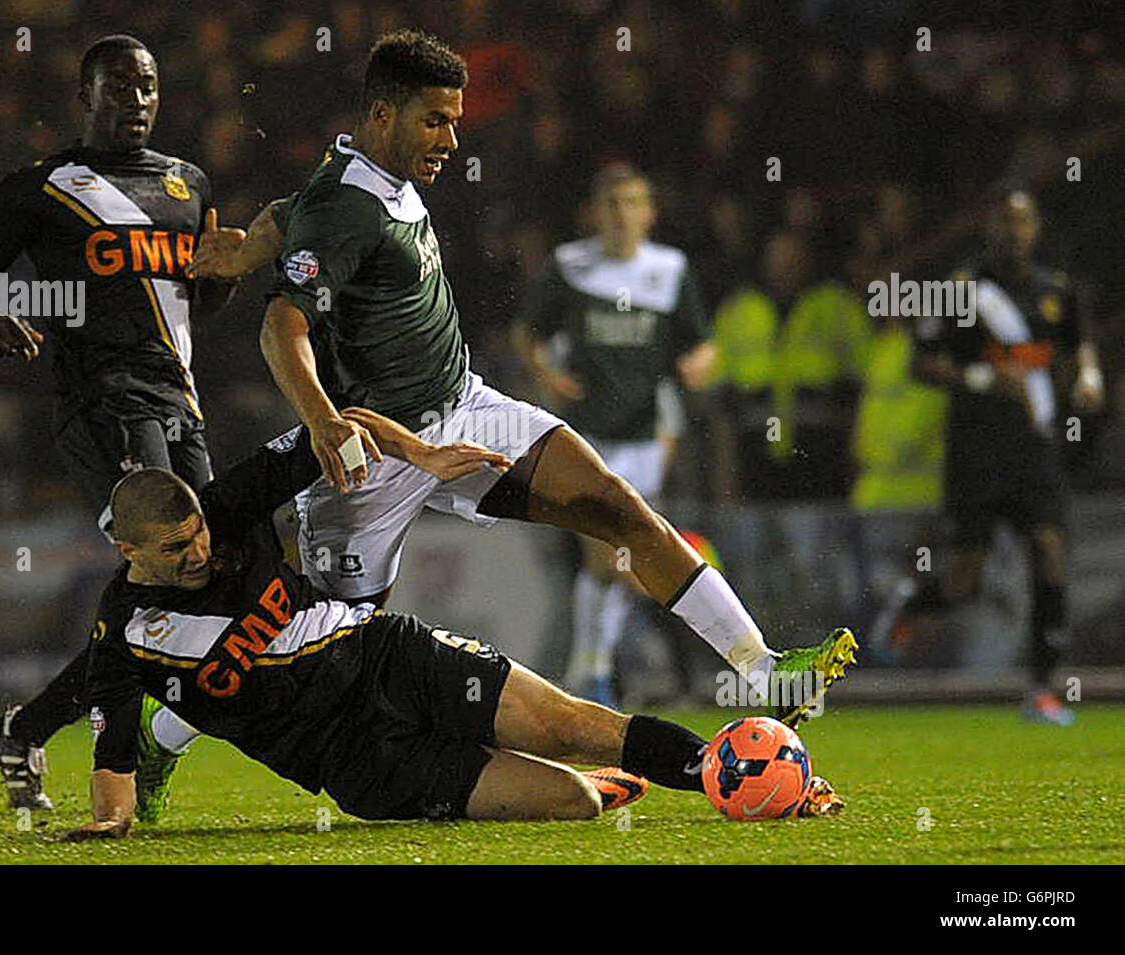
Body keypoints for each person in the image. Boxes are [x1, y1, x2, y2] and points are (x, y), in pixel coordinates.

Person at [189, 30, 858, 728]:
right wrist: (324, 419)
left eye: (455, 118)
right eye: (435, 120)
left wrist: (246, 250)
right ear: (383, 114)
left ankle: (763, 669)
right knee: (321, 640)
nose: (451, 138)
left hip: (466, 408)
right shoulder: (344, 205)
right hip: (378, 449)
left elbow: (288, 213)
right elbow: (282, 327)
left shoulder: (358, 172)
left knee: (613, 505)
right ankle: (171, 723)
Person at [65, 408, 844, 839]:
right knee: (573, 802)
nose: (200, 548)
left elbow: (333, 426)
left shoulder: (228, 509)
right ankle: (608, 783)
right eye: (176, 547)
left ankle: (737, 774)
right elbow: (112, 757)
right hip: (359, 763)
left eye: (198, 531)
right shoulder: (122, 635)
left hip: (384, 658)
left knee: (569, 722)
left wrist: (418, 453)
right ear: (127, 550)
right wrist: (111, 823)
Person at [0, 34, 283, 814]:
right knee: (167, 569)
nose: (137, 100)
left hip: (179, 400)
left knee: (213, 575)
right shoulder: (41, 190)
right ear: (83, 96)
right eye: (120, 86)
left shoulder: (187, 184)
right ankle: (114, 760)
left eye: (148, 86)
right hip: (100, 405)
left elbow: (198, 303)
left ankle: (24, 728)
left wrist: (223, 271)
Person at [887, 187, 1104, 724]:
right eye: (1006, 222)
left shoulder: (1057, 290)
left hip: (1035, 451)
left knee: (1049, 553)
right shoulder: (961, 291)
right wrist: (980, 376)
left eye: (1024, 221)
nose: (1015, 231)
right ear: (990, 229)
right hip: (975, 455)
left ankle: (1042, 688)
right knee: (967, 580)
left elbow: (1079, 344)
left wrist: (1090, 377)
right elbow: (921, 363)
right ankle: (912, 603)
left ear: (1036, 228)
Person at [511, 163, 716, 706]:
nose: (623, 215)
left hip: (648, 438)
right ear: (596, 214)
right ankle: (625, 670)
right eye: (613, 204)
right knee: (612, 557)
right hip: (584, 438)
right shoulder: (571, 267)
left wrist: (701, 363)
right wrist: (548, 376)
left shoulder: (669, 270)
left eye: (632, 203)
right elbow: (528, 332)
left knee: (621, 561)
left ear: (649, 214)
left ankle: (599, 677)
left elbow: (701, 342)